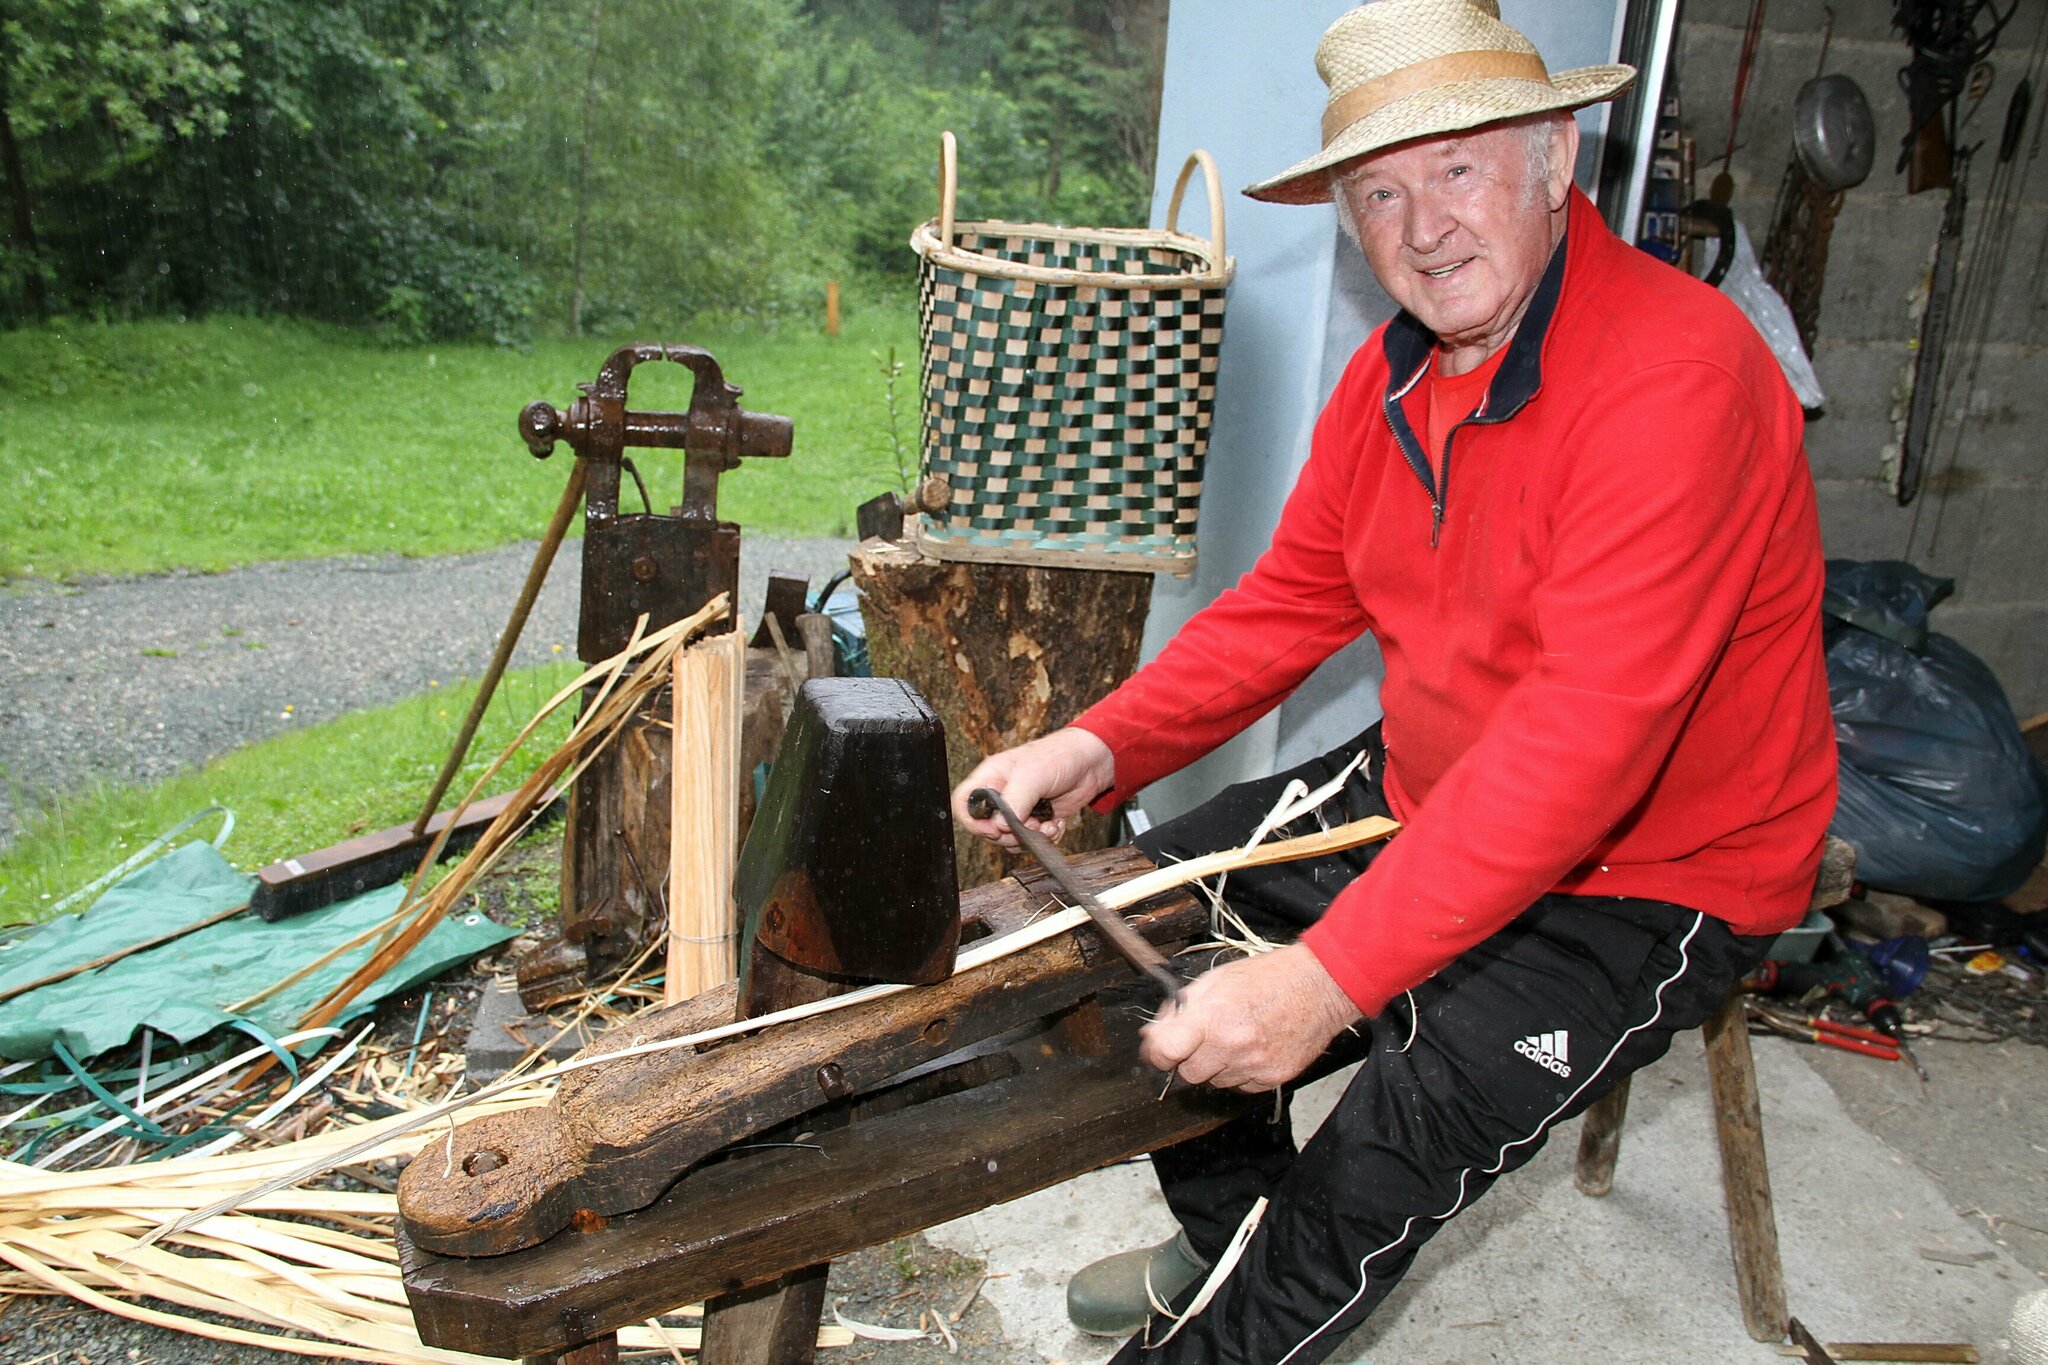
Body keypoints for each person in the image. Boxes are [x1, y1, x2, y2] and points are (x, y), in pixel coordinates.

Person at [949, 1, 1839, 1360]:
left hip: (1651, 868)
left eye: (1459, 169)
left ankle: (1252, 1286)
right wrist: (1103, 743)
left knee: (1364, 1177)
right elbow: (1296, 598)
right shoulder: (1391, 373)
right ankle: (1226, 1231)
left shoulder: (1678, 378)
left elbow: (1584, 745)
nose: (1423, 228)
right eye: (1381, 192)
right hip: (1435, 783)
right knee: (1126, 952)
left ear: (1553, 160)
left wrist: (1330, 976)